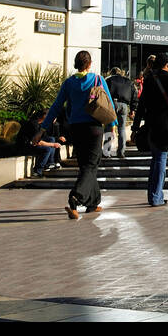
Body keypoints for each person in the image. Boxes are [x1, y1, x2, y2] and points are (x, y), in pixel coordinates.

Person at [35, 50, 116, 219]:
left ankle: (93, 203)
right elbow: (108, 103)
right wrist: (112, 126)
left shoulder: (69, 83)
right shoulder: (97, 79)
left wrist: (42, 130)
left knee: (86, 165)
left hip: (76, 128)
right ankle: (75, 198)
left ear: (76, 63)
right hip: (94, 127)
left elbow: (56, 106)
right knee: (91, 164)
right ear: (89, 63)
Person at [133, 51, 168, 207]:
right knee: (161, 160)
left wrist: (135, 127)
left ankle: (154, 195)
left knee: (155, 160)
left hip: (151, 125)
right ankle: (156, 197)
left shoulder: (148, 81)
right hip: (166, 127)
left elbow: (141, 106)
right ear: (167, 65)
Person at [26, 109, 65, 177]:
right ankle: (38, 171)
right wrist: (53, 144)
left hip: (34, 144)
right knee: (47, 149)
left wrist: (55, 141)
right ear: (44, 115)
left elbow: (45, 138)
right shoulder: (33, 124)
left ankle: (50, 163)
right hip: (27, 146)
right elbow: (37, 142)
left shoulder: (41, 125)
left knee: (51, 139)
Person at [105, 67, 133, 159]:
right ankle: (121, 151)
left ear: (112, 73)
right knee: (121, 129)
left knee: (109, 127)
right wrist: (133, 109)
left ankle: (106, 152)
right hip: (124, 105)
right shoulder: (128, 81)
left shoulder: (109, 80)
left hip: (112, 104)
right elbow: (134, 95)